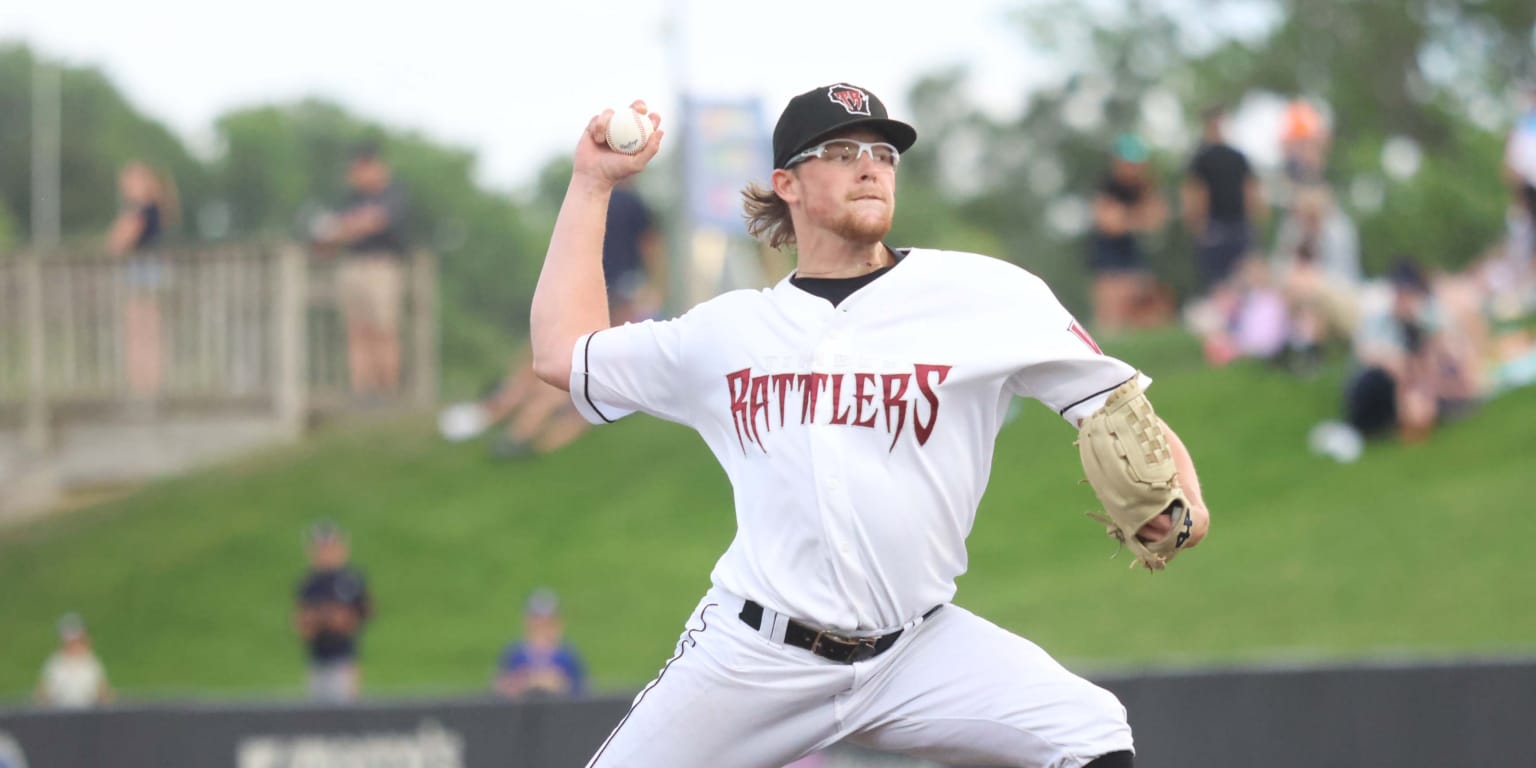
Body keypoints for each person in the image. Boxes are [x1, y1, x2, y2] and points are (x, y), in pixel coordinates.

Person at [529, 83, 1211, 768]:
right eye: (842, 151)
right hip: (755, 656)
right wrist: (591, 183)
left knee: (1088, 731)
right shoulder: (726, 333)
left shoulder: (983, 296)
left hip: (916, 651)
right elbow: (562, 352)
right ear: (786, 184)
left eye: (884, 153)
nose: (870, 166)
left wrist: (1187, 499)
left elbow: (1118, 404)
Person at [438, 184, 666, 457]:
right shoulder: (631, 202)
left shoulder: (589, 196)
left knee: (550, 359)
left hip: (584, 290)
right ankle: (521, 431)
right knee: (575, 365)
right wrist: (655, 287)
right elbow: (650, 248)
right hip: (612, 294)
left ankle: (514, 426)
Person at [312, 142, 411, 398]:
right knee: (357, 331)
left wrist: (343, 228)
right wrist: (344, 228)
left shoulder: (393, 193)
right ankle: (362, 391)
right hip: (352, 266)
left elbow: (373, 222)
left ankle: (388, 392)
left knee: (383, 329)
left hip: (382, 266)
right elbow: (328, 237)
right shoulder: (351, 199)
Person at [107, 161, 180, 401]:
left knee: (141, 332)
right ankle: (148, 384)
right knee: (147, 331)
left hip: (143, 272)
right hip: (150, 271)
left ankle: (144, 386)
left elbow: (118, 242)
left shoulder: (143, 210)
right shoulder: (156, 207)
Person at [1086, 133, 1173, 333]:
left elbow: (1157, 219)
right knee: (1111, 310)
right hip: (1107, 256)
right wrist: (1139, 218)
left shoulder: (1144, 187)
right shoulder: (1107, 186)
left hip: (1133, 254)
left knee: (1142, 303)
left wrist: (1128, 218)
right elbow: (1110, 224)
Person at [1182, 104, 1264, 296]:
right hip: (1220, 224)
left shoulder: (1228, 157)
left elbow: (1249, 191)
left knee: (1229, 279)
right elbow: (1197, 192)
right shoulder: (1204, 157)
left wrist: (1197, 224)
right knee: (1223, 279)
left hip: (1230, 225)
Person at [293, 519, 372, 703]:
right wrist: (327, 617)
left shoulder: (350, 579)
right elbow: (303, 625)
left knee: (344, 712)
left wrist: (323, 617)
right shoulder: (309, 583)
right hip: (317, 659)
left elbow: (353, 619)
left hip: (343, 660)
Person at [493, 588, 588, 699]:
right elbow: (498, 688)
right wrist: (525, 682)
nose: (542, 627)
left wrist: (560, 684)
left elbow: (582, 691)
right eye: (537, 621)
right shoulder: (515, 654)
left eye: (548, 622)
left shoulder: (567, 656)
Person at [34, 613, 113, 709]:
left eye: (78, 641)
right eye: (72, 643)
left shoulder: (92, 663)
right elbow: (43, 693)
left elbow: (103, 691)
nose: (75, 646)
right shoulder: (55, 664)